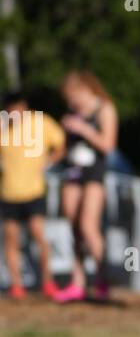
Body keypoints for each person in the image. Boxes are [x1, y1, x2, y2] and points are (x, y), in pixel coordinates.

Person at [55, 70, 118, 303]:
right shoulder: (73, 112)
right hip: (72, 172)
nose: (72, 102)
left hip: (94, 173)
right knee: (74, 228)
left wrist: (83, 130)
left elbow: (108, 145)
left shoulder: (105, 108)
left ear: (86, 89)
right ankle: (77, 282)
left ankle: (102, 279)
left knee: (88, 226)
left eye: (74, 96)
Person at [0, 91, 65, 299]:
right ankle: (17, 286)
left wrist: (49, 163)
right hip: (9, 193)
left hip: (34, 191)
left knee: (39, 235)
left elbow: (60, 144)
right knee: (11, 240)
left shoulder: (41, 122)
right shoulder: (2, 127)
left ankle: (48, 281)